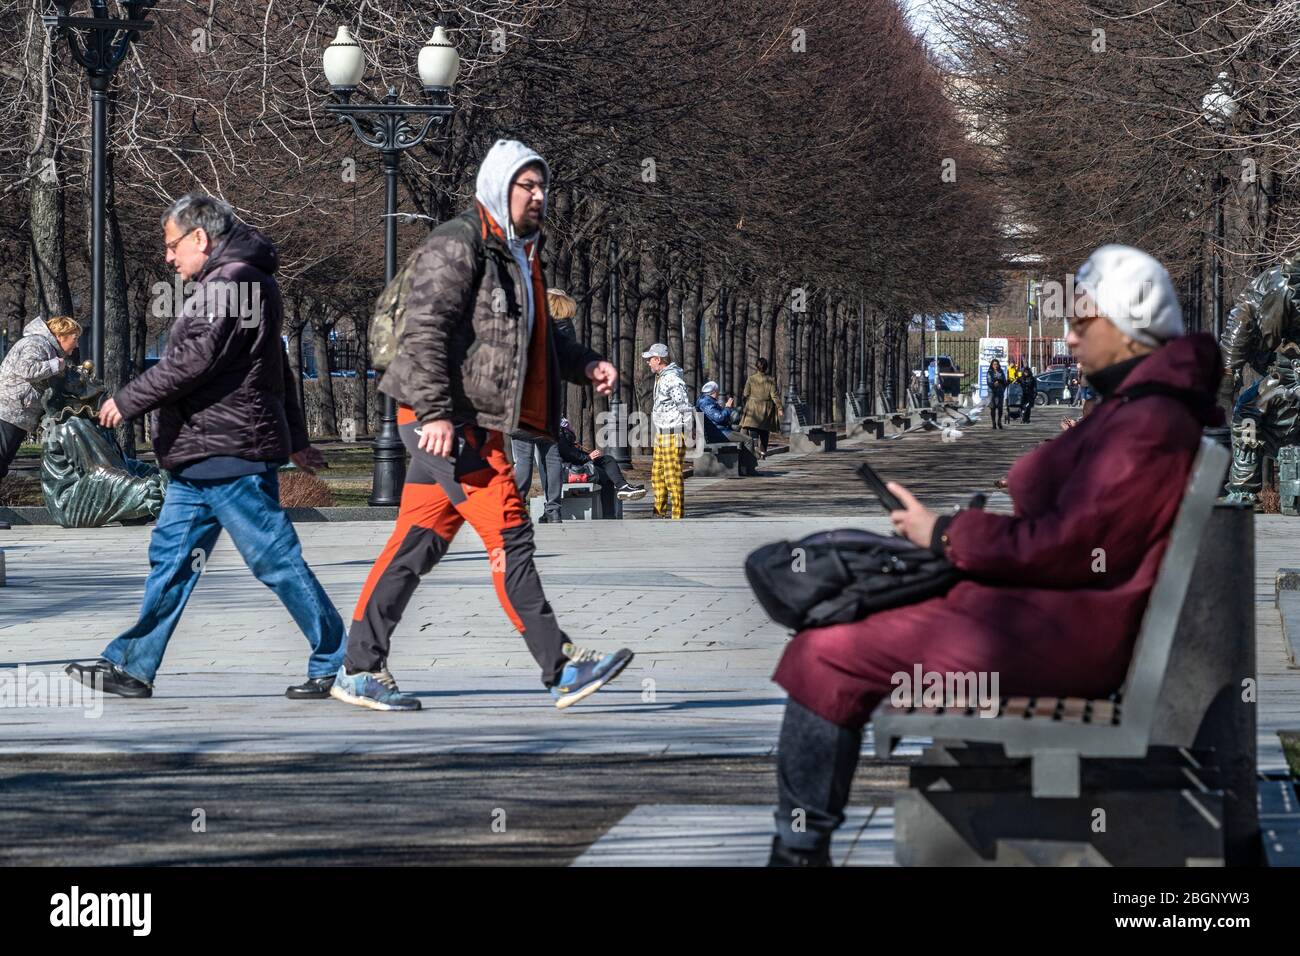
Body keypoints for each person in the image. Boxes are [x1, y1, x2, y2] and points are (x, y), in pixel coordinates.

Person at [767, 244, 1224, 865]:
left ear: (1126, 326)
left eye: (1082, 320)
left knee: (824, 652)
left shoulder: (1147, 421)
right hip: (1056, 616)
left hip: (1059, 633)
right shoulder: (1143, 407)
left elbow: (1070, 545)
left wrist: (948, 535)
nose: (1070, 334)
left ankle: (796, 855)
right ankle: (799, 847)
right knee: (839, 619)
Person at [333, 139, 632, 712]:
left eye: (544, 185)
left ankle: (358, 668)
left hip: (464, 419)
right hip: (446, 419)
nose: (540, 195)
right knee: (510, 532)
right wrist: (435, 413)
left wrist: (585, 362)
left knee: (416, 544)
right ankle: (561, 667)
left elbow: (537, 339)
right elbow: (425, 331)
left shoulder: (519, 253)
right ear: (498, 186)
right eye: (528, 185)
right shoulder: (460, 242)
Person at [65, 193, 346, 700]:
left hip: (230, 451)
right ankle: (132, 665)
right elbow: (276, 372)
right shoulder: (239, 282)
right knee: (171, 561)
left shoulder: (232, 283)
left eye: (172, 245)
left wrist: (127, 401)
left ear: (200, 237)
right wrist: (299, 442)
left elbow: (191, 362)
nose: (168, 258)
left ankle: (340, 661)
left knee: (274, 561)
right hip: (200, 455)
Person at [0, 315, 81, 483]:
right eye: (75, 338)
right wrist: (55, 365)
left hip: (18, 414)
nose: (77, 344)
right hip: (8, 412)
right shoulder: (37, 343)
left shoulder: (46, 347)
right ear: (60, 335)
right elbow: (27, 369)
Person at [644, 342, 693, 519]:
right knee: (657, 474)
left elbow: (685, 407)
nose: (648, 362)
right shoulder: (661, 378)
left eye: (650, 359)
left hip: (673, 432)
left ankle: (677, 514)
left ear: (658, 359)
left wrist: (687, 433)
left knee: (672, 474)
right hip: (662, 432)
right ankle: (659, 511)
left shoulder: (672, 380)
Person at [555, 416, 646, 510]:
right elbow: (567, 452)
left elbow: (568, 451)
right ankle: (612, 509)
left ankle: (623, 487)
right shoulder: (557, 428)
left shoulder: (559, 425)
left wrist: (587, 455)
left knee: (607, 460)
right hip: (570, 471)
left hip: (572, 465)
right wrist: (588, 457)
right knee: (605, 473)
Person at [696, 381, 759, 476]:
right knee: (748, 440)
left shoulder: (706, 400)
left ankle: (744, 467)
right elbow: (719, 418)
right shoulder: (706, 402)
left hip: (717, 430)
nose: (718, 393)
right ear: (714, 391)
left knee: (741, 433)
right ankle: (749, 470)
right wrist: (728, 407)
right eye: (717, 391)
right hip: (717, 433)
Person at [740, 358, 782, 458]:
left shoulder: (751, 379)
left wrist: (745, 404)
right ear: (766, 367)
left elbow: (746, 394)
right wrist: (780, 408)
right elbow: (774, 395)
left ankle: (753, 449)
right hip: (766, 409)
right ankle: (763, 452)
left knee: (752, 429)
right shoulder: (771, 379)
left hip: (752, 407)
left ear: (756, 366)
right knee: (764, 431)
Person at [986, 358, 1007, 429]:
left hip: (1000, 392)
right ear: (992, 365)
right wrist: (993, 384)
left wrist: (1001, 385)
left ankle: (999, 421)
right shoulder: (989, 372)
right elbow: (989, 382)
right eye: (994, 364)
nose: (996, 365)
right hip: (992, 392)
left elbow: (1004, 382)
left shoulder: (1001, 371)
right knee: (993, 408)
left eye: (997, 364)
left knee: (1000, 407)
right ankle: (993, 423)